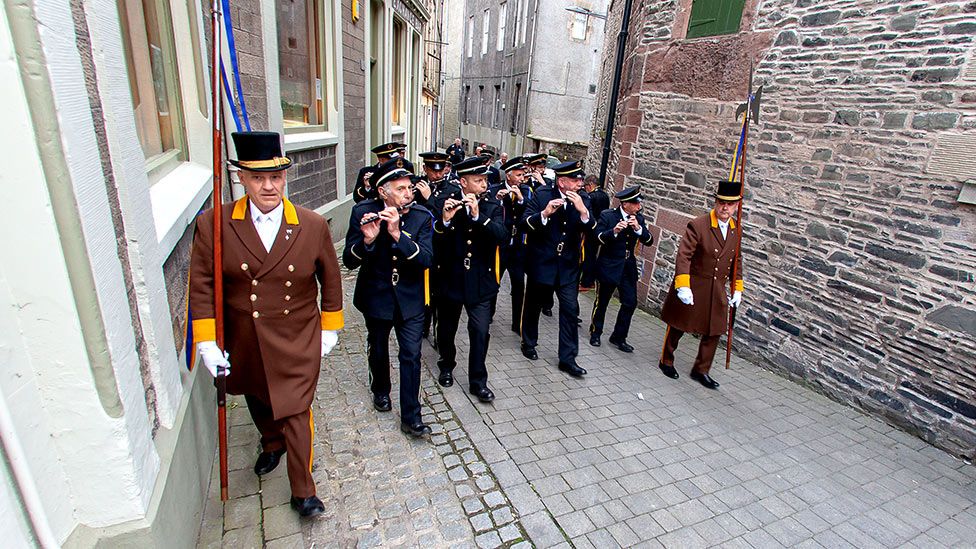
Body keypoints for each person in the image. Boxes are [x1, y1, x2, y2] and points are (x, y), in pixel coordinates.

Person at [190, 131, 343, 518]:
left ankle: (303, 491)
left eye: (276, 177)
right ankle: (270, 443)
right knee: (258, 396)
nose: (269, 186)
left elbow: (331, 278)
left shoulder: (310, 225)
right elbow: (203, 283)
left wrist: (330, 327)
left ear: (285, 178)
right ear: (242, 177)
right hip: (246, 336)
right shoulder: (215, 225)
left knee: (295, 409)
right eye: (258, 178)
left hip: (296, 335)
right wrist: (207, 341)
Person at [343, 158, 435, 436]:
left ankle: (411, 416)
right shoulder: (363, 210)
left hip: (410, 299)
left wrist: (397, 234)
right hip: (377, 296)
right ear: (383, 192)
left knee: (411, 355)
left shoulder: (421, 215)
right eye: (401, 188)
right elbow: (349, 260)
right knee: (379, 347)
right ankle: (380, 389)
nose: (409, 193)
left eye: (409, 187)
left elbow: (427, 259)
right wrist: (367, 241)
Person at [432, 157, 508, 402]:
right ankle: (446, 364)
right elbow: (435, 241)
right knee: (446, 328)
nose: (484, 184)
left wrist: (478, 217)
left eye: (485, 179)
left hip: (480, 281)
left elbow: (502, 236)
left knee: (480, 330)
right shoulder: (446, 201)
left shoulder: (492, 207)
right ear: (463, 182)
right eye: (478, 180)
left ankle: (478, 381)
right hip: (451, 279)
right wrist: (444, 220)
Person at [658, 180, 744, 390]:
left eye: (730, 204)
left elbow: (736, 261)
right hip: (694, 284)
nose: (725, 207)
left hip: (717, 289)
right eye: (722, 202)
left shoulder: (735, 229)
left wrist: (737, 288)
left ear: (736, 206)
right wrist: (683, 285)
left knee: (714, 330)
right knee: (679, 324)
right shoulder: (699, 224)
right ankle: (666, 360)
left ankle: (701, 370)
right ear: (716, 202)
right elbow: (684, 256)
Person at [519, 160, 595, 377]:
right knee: (533, 305)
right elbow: (524, 224)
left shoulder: (584, 199)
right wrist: (544, 214)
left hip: (568, 267)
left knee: (570, 309)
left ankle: (568, 359)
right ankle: (529, 342)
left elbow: (593, 231)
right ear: (562, 182)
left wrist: (583, 212)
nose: (580, 183)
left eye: (580, 179)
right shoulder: (542, 194)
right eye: (575, 180)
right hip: (542, 263)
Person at [588, 186, 653, 351]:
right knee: (602, 301)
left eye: (639, 203)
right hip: (609, 265)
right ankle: (596, 333)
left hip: (627, 266)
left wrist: (638, 229)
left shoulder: (639, 219)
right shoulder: (608, 215)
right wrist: (614, 231)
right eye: (636, 203)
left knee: (630, 302)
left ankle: (618, 337)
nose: (639, 207)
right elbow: (598, 238)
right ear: (625, 204)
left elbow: (649, 240)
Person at [416, 151, 460, 343]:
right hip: (422, 247)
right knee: (423, 291)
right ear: (425, 168)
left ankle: (438, 332)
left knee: (441, 295)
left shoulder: (452, 190)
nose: (437, 174)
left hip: (443, 248)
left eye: (441, 169)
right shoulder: (416, 188)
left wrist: (430, 199)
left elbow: (446, 217)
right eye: (433, 170)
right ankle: (423, 325)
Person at [488, 156, 533, 334]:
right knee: (494, 282)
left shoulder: (527, 191)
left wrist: (521, 199)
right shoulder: (494, 190)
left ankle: (517, 323)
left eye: (523, 175)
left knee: (519, 285)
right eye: (519, 175)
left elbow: (530, 212)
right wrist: (499, 200)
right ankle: (488, 313)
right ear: (508, 175)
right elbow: (489, 212)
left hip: (518, 247)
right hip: (500, 246)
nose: (522, 178)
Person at [579, 175, 610, 289]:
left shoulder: (591, 197)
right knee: (592, 255)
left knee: (587, 256)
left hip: (591, 230)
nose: (585, 188)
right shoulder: (605, 196)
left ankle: (586, 281)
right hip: (600, 229)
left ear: (591, 185)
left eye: (586, 186)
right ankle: (590, 280)